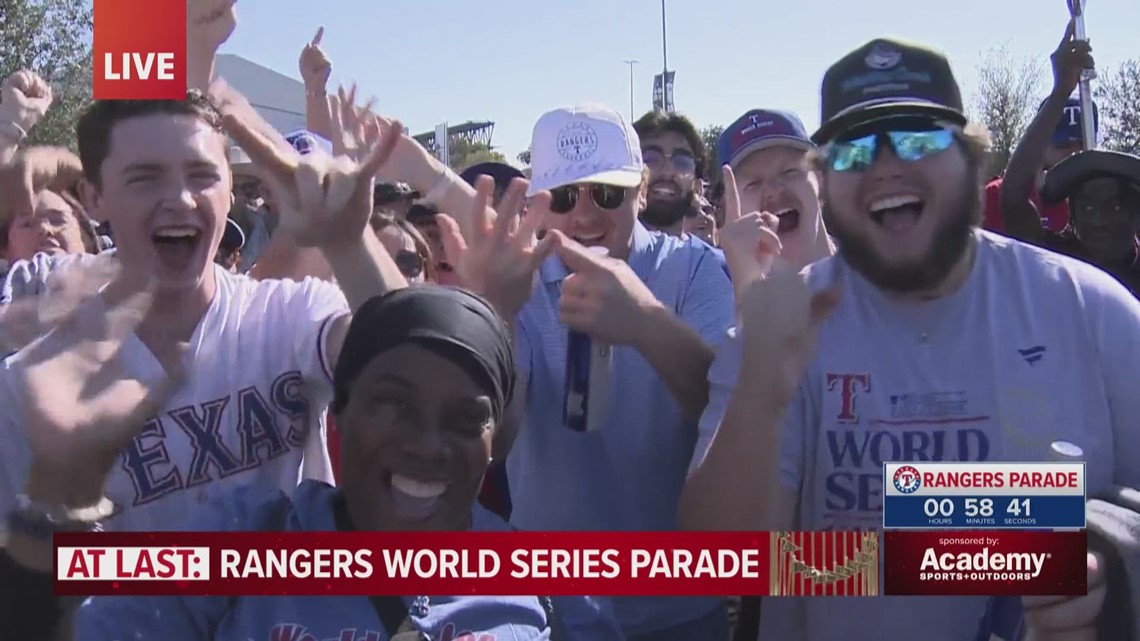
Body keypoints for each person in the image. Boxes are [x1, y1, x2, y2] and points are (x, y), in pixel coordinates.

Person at [681, 36, 1133, 641]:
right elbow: (718, 560)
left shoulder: (1092, 311)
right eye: (854, 150)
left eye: (921, 139)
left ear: (973, 163)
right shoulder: (776, 326)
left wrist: (1112, 556)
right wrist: (763, 381)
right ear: (826, 184)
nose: (888, 166)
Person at [0, 285, 623, 640]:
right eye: (393, 405)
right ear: (338, 416)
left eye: (465, 420)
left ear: (493, 444)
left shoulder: (550, 584)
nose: (427, 445)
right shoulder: (245, 538)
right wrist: (61, 480)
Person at [0, 2, 411, 532]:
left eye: (201, 175)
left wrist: (352, 242)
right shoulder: (31, 384)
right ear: (94, 198)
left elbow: (418, 366)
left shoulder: (287, 318)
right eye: (145, 177)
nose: (181, 199)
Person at [444, 103, 734, 640]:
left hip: (682, 606)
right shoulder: (521, 283)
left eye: (607, 192)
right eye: (562, 196)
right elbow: (498, 440)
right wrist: (498, 312)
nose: (584, 217)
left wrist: (646, 322)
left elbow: (727, 420)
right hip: (553, 611)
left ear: (641, 191)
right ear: (537, 204)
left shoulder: (694, 268)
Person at [989, 22, 1098, 237]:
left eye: (1081, 144)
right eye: (1063, 145)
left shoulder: (1106, 204)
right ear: (1043, 145)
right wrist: (1061, 91)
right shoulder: (996, 195)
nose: (1074, 153)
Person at [632, 110, 707, 238]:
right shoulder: (594, 254)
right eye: (650, 159)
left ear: (697, 186)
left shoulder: (713, 258)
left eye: (682, 162)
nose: (667, 172)